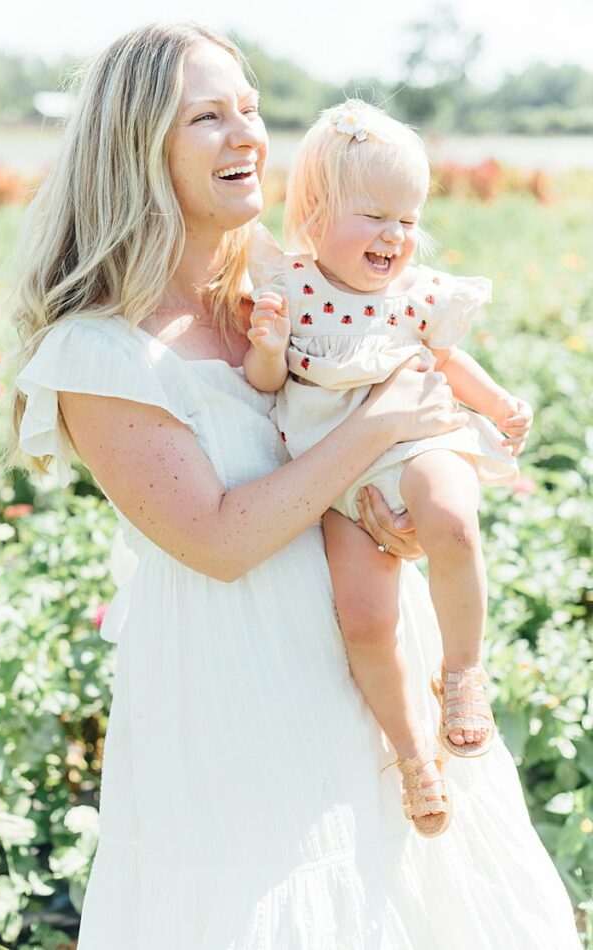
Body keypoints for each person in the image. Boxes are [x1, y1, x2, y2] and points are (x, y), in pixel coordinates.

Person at [9, 22, 579, 948]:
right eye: (207, 116)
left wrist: (400, 495)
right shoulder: (99, 351)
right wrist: (375, 432)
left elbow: (419, 384)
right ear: (137, 147)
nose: (246, 135)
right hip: (243, 701)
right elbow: (220, 540)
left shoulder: (286, 285)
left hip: (376, 661)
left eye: (251, 108)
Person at [244, 98, 533, 836]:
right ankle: (413, 757)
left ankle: (463, 673)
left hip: (416, 442)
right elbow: (270, 386)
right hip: (335, 474)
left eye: (407, 220)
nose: (395, 236)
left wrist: (498, 402)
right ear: (314, 212)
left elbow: (446, 358)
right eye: (374, 215)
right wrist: (270, 348)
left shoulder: (419, 293)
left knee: (452, 518)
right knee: (366, 621)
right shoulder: (294, 288)